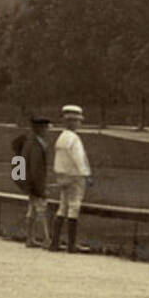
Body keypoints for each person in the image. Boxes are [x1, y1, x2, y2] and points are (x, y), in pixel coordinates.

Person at [49, 104, 92, 253]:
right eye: (77, 121)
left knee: (63, 206)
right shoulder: (74, 139)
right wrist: (86, 174)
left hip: (62, 175)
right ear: (72, 122)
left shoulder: (61, 137)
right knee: (74, 206)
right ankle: (71, 244)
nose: (79, 124)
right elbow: (79, 158)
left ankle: (55, 242)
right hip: (75, 176)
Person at [10, 117, 51, 248]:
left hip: (28, 183)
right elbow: (36, 168)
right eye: (45, 128)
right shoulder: (36, 145)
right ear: (40, 129)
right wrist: (40, 188)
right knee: (41, 210)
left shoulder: (29, 142)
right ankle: (46, 239)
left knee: (32, 210)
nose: (47, 130)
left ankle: (30, 238)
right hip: (34, 184)